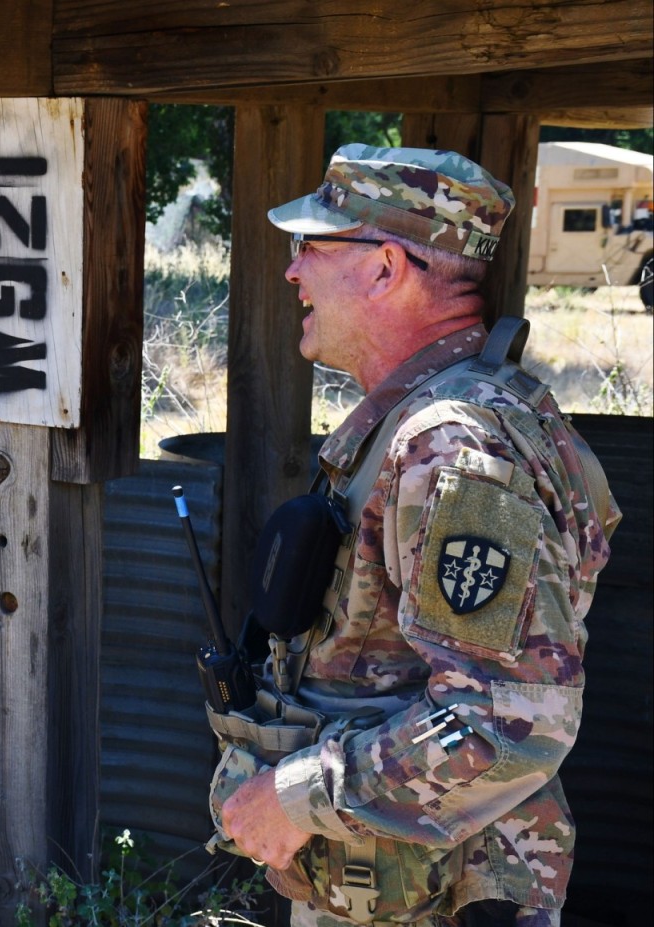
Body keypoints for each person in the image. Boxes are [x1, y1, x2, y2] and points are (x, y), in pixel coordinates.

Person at [207, 146, 621, 927]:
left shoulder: (455, 447)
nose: (293, 271)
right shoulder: (428, 425)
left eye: (313, 246)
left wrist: (299, 798)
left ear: (386, 267)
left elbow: (508, 718)